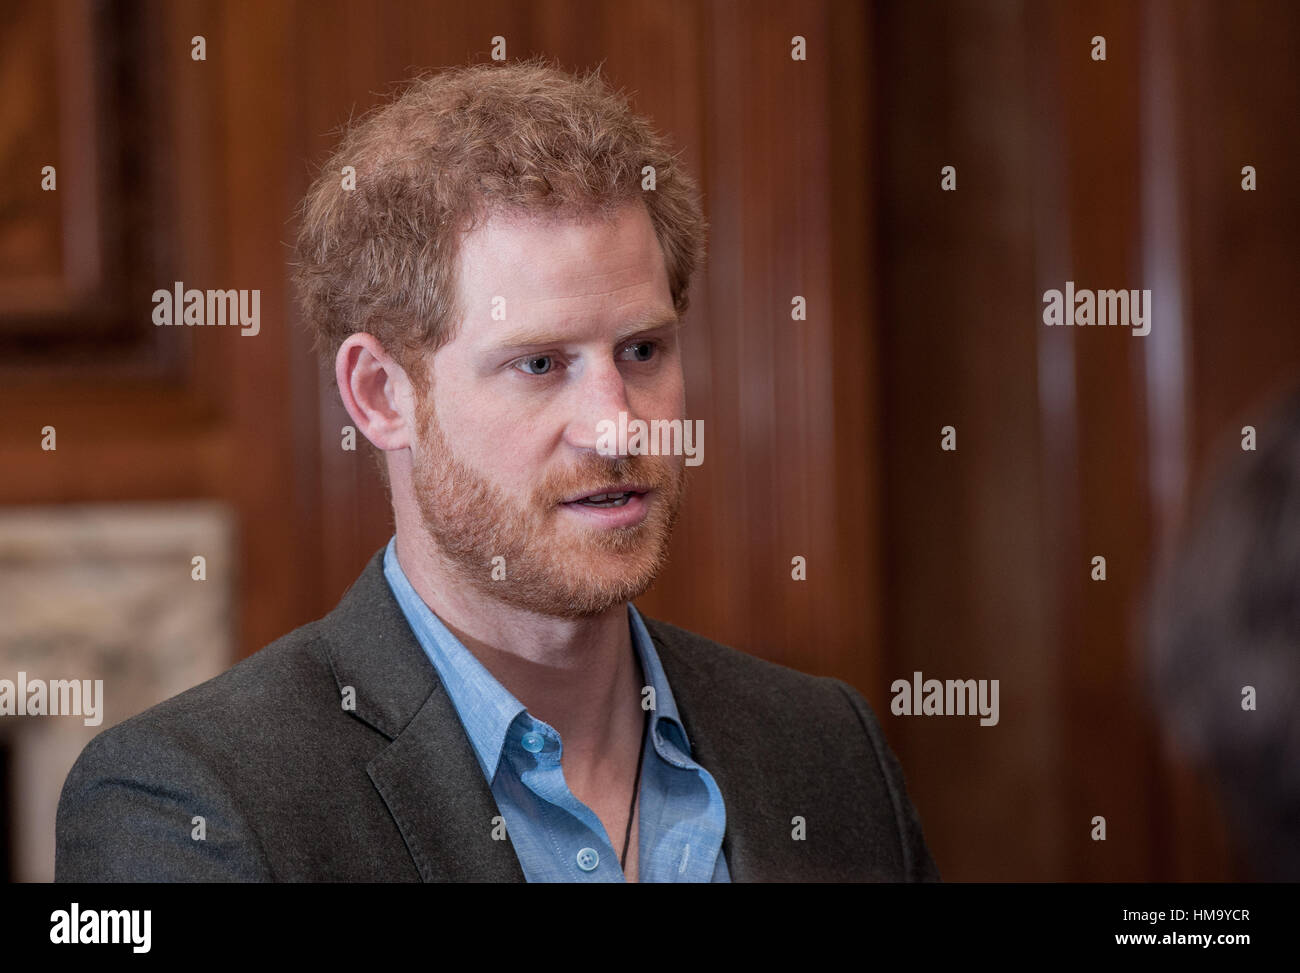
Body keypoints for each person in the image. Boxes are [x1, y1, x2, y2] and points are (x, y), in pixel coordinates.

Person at [55, 56, 938, 882]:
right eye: (540, 364)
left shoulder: (830, 752)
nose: (615, 426)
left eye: (641, 349)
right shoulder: (186, 801)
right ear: (380, 394)